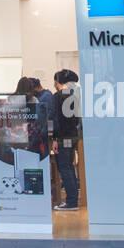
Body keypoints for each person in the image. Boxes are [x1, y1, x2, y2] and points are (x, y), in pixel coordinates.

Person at [51, 70, 81, 211]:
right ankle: (73, 200)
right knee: (70, 167)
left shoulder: (57, 97)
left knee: (65, 168)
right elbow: (75, 119)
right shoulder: (72, 96)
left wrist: (55, 139)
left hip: (63, 138)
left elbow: (56, 120)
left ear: (57, 82)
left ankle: (71, 202)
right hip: (73, 136)